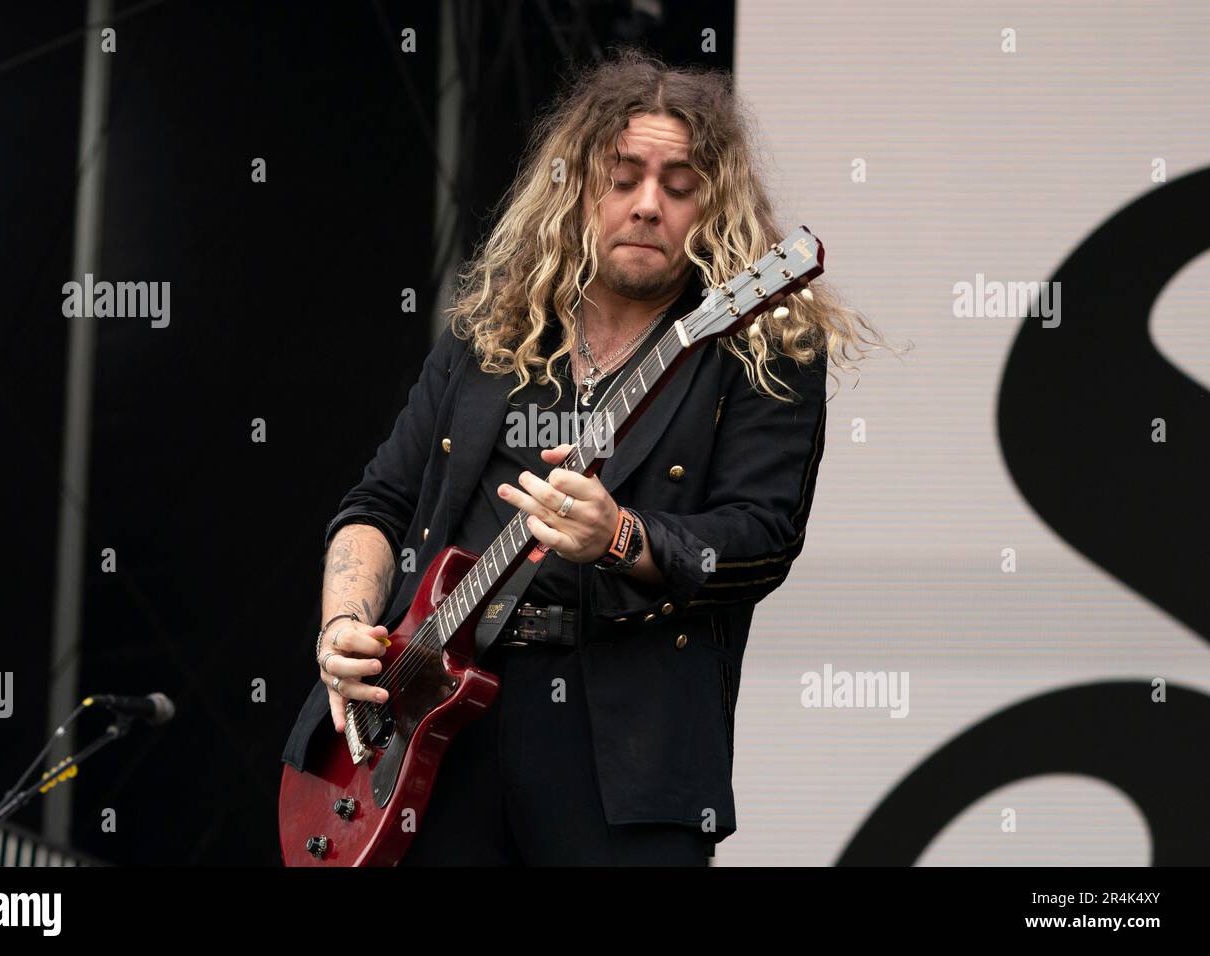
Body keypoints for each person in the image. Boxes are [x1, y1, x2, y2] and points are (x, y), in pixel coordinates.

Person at [281, 49, 879, 866]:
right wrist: (344, 625)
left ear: (715, 202)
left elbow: (762, 540)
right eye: (623, 175)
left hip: (622, 749)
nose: (646, 205)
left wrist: (623, 536)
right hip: (428, 722)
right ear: (576, 182)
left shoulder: (759, 347)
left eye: (679, 185)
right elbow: (377, 504)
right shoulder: (494, 331)